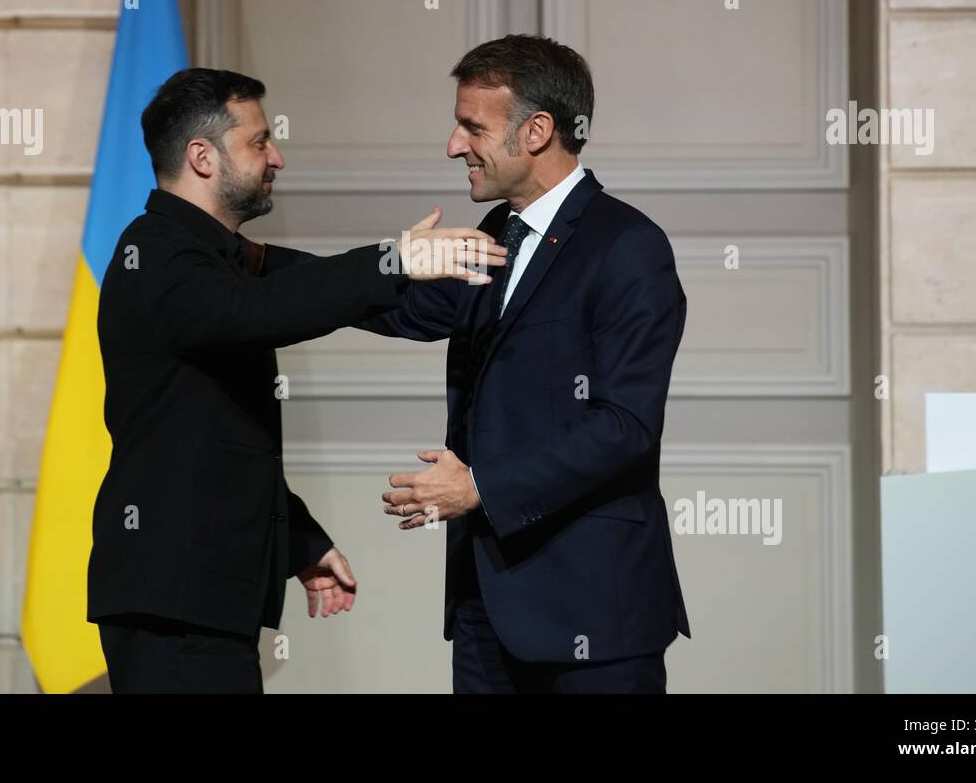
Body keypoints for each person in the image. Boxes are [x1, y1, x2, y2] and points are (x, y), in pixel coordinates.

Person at [87, 67, 505, 693]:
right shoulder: (156, 257)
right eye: (259, 142)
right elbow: (259, 311)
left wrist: (299, 539)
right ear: (202, 157)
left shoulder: (209, 261)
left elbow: (214, 431)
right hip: (171, 601)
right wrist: (396, 258)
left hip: (194, 598)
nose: (277, 156)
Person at [369, 34, 691, 693]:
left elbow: (624, 424)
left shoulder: (628, 246)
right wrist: (245, 263)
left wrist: (478, 487)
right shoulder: (489, 238)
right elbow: (395, 309)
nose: (454, 146)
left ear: (537, 131)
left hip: (595, 617)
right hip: (485, 614)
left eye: (472, 127)